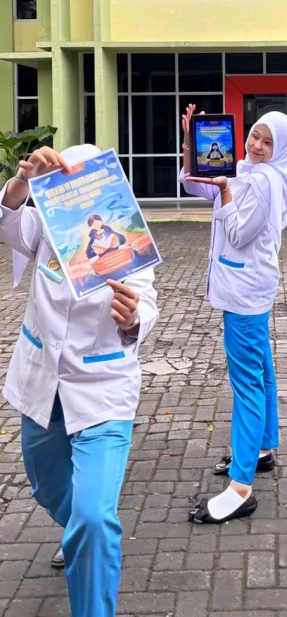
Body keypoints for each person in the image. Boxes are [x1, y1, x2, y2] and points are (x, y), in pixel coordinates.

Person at [0, 144, 159, 616]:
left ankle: (90, 557)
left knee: (93, 517)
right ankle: (85, 542)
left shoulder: (128, 243)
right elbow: (6, 218)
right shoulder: (45, 228)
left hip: (102, 390)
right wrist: (23, 181)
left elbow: (146, 299)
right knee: (48, 489)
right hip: (42, 384)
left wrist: (133, 318)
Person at [180, 103, 287, 524]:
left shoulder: (264, 180)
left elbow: (238, 231)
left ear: (282, 147)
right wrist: (191, 145)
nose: (258, 145)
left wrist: (226, 190)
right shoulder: (245, 167)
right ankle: (264, 447)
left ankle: (240, 487)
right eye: (254, 136)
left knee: (245, 382)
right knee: (261, 369)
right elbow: (197, 187)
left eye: (268, 141)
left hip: (246, 291)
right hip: (247, 287)